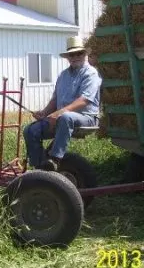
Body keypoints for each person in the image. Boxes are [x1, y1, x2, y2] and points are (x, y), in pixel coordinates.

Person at [23, 36, 102, 171]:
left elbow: (84, 100)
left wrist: (59, 113)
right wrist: (44, 112)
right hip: (61, 117)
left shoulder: (91, 74)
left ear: (85, 54)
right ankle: (39, 166)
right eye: (72, 54)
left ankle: (54, 159)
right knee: (30, 130)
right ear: (68, 57)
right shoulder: (63, 75)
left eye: (79, 53)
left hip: (86, 118)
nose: (75, 57)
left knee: (66, 117)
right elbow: (55, 100)